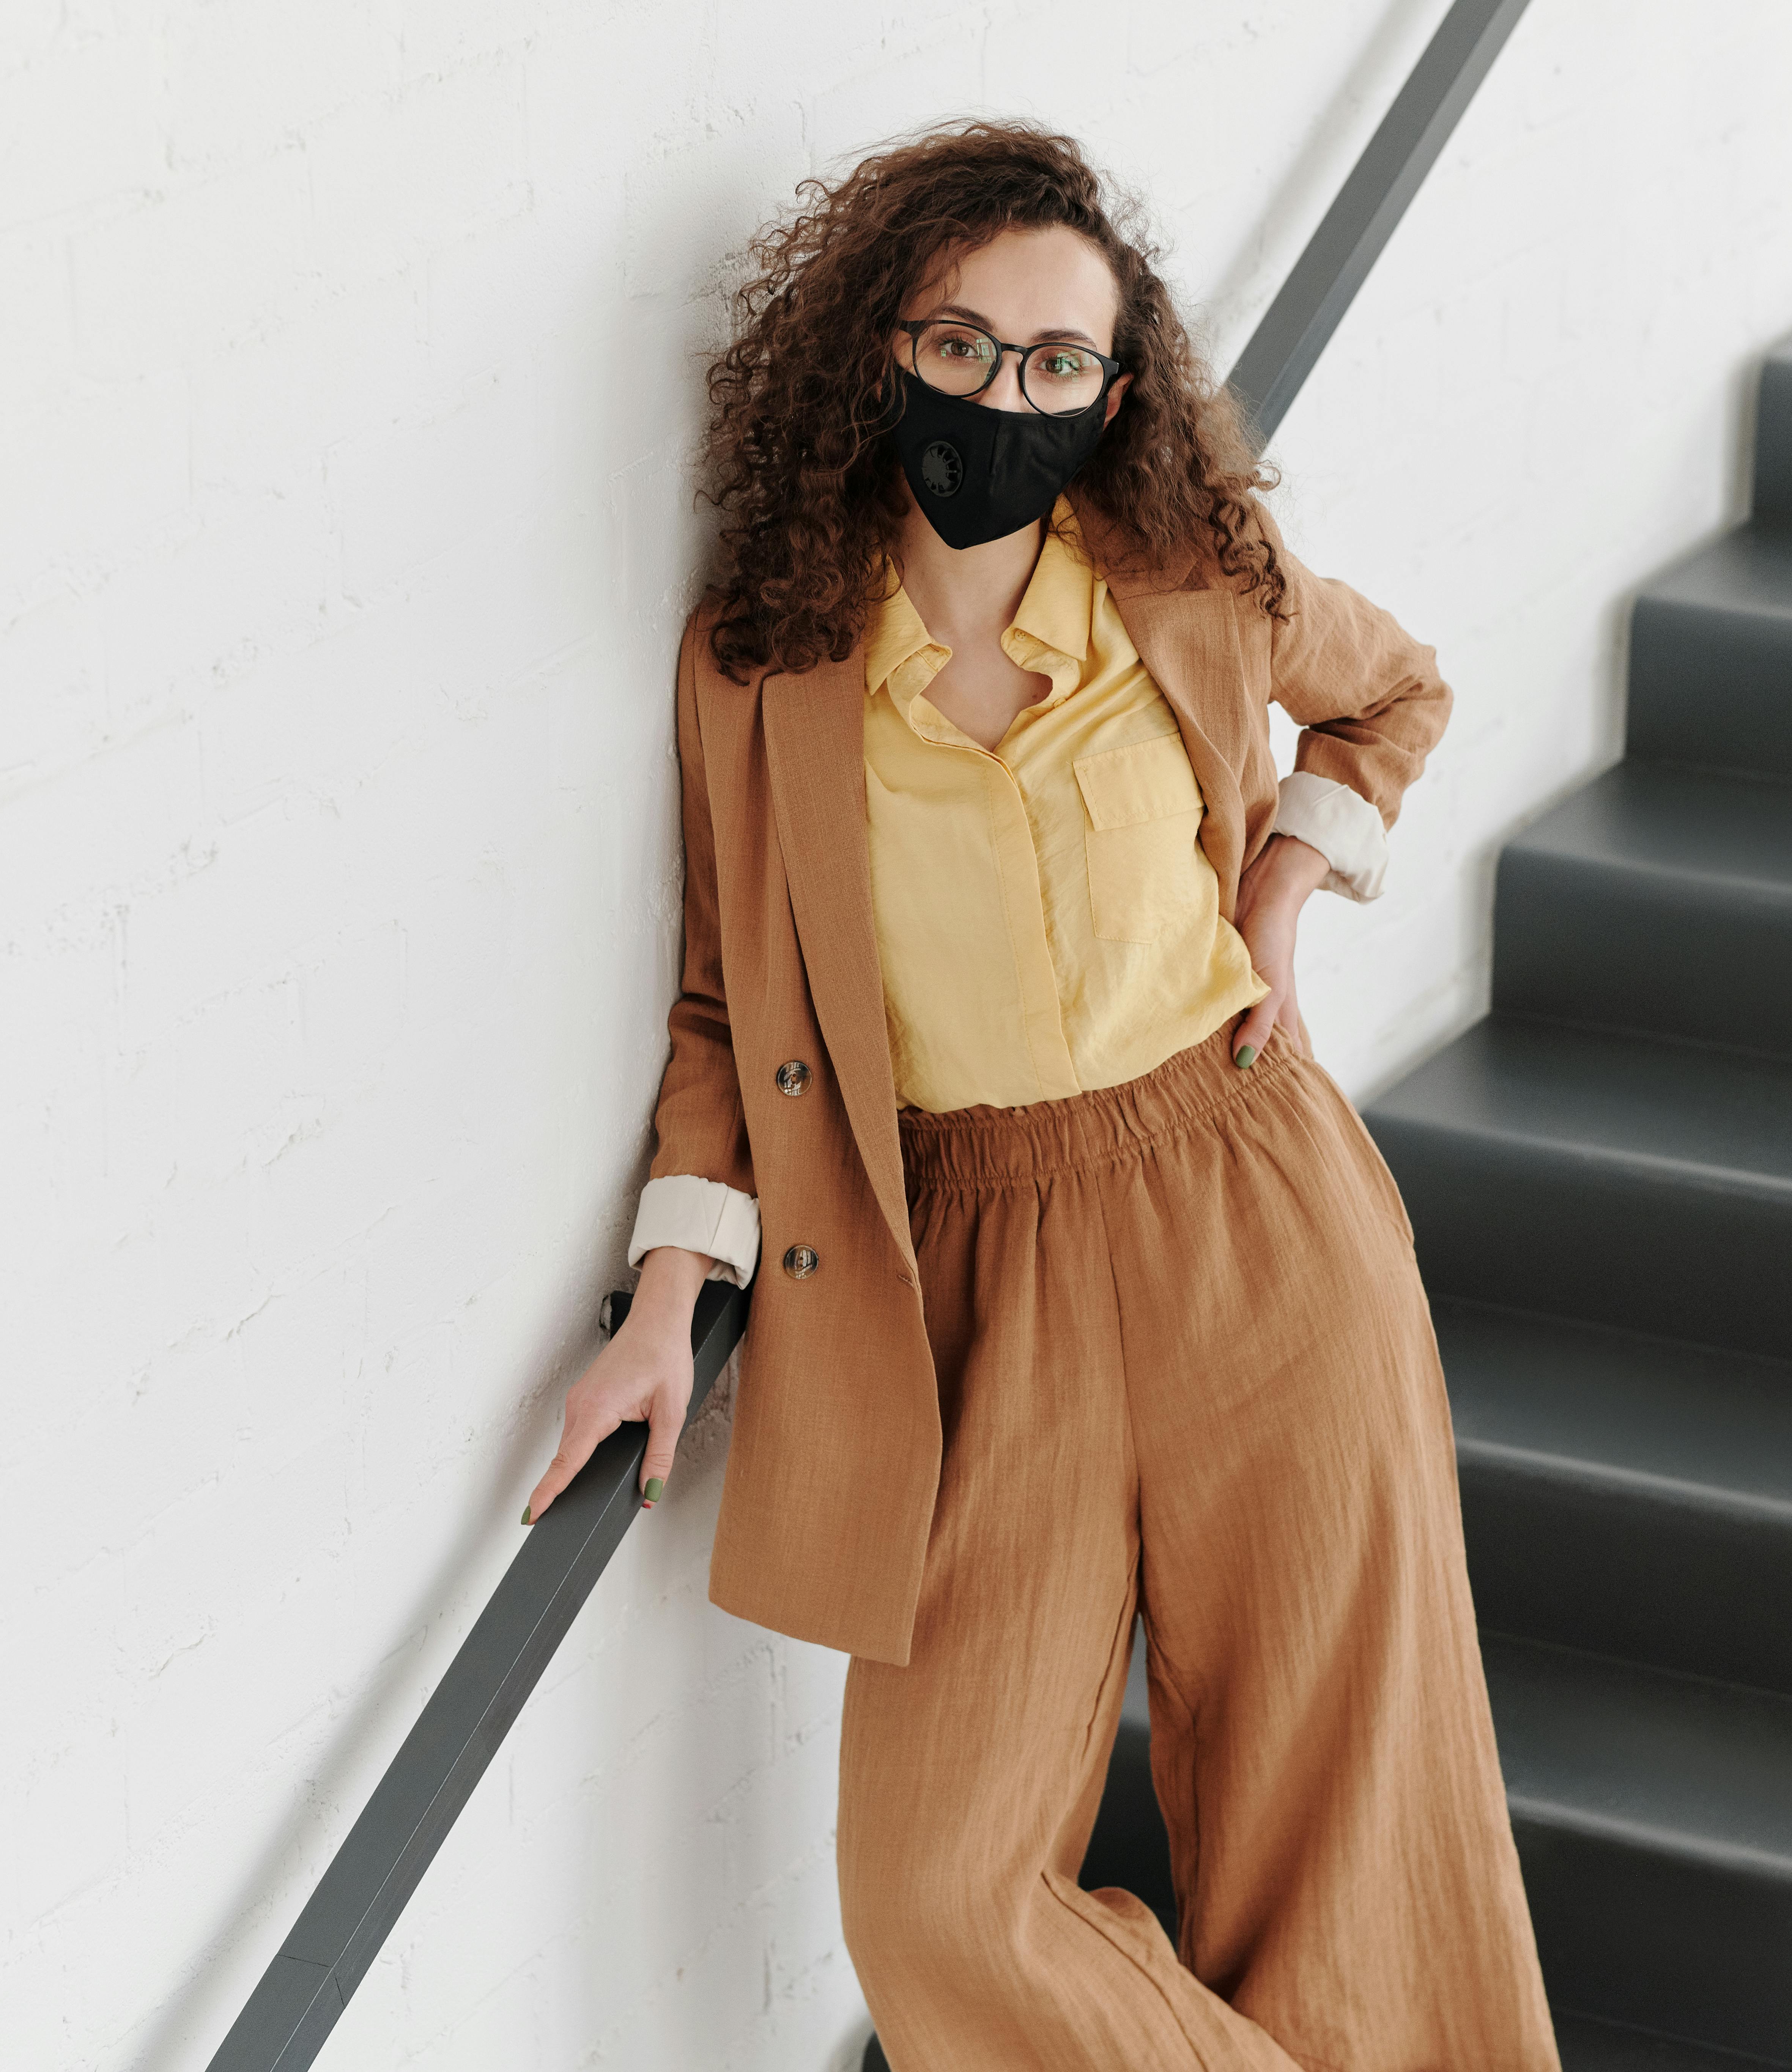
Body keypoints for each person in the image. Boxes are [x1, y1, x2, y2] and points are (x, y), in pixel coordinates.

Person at [522, 120, 1559, 2072]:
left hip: (1253, 1198)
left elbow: (1392, 689)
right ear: (877, 346)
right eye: (964, 343)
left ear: (1112, 388)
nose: (1005, 395)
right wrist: (665, 1298)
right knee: (939, 1896)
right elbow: (718, 1003)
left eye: (1056, 363)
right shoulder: (764, 669)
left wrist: (1277, 889)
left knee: (1352, 1830)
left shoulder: (1192, 576)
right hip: (974, 1273)